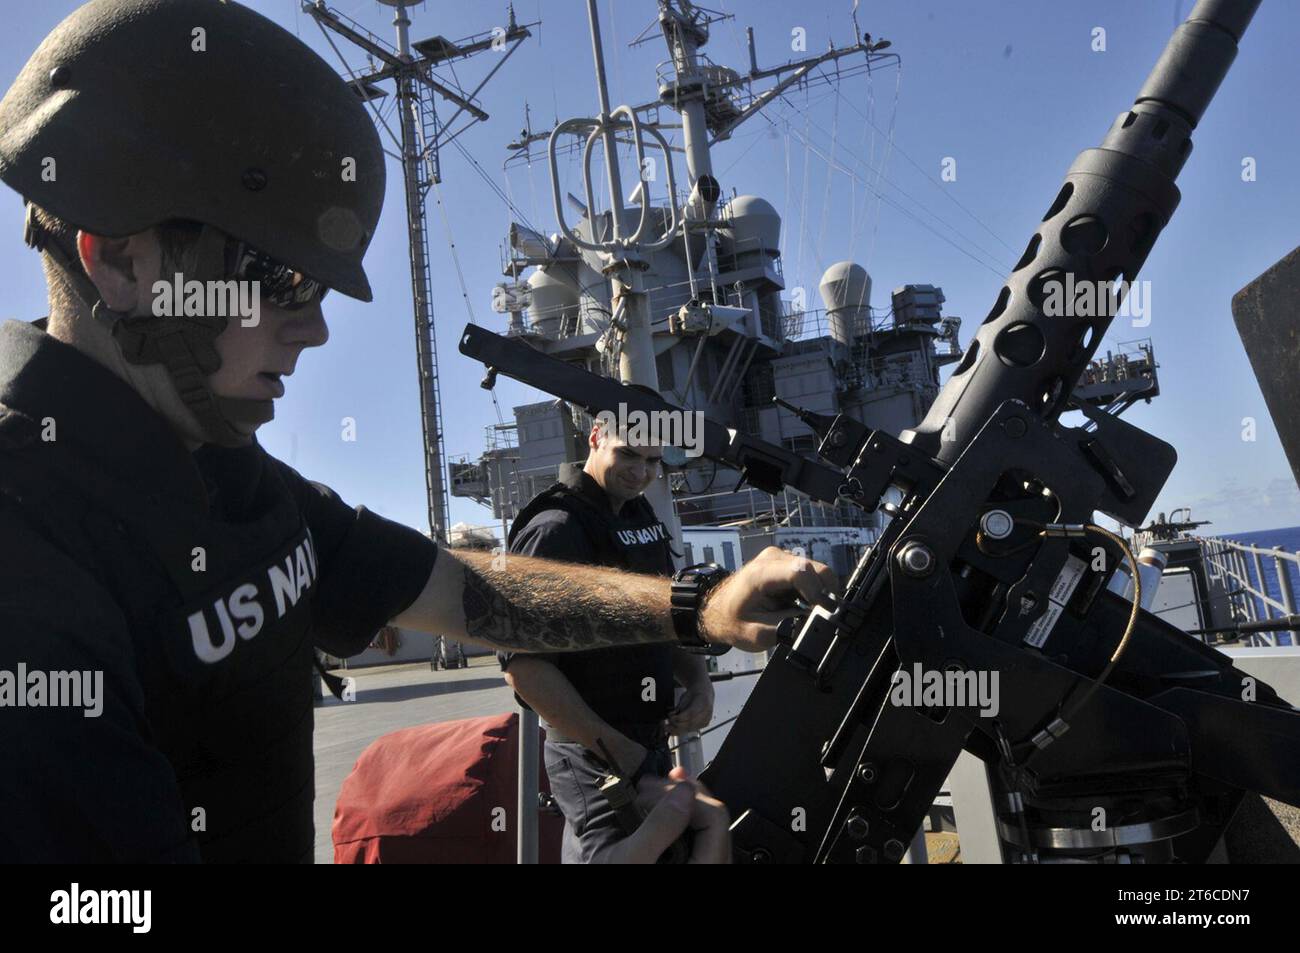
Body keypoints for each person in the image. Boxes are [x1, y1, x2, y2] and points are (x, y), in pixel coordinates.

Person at [0, 0, 838, 863]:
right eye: (281, 277)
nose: (315, 329)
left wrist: (694, 607)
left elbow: (462, 593)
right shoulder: (27, 541)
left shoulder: (224, 467)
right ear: (123, 258)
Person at [501, 418, 714, 862]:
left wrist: (698, 680)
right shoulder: (556, 530)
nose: (641, 472)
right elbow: (525, 668)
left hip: (643, 743)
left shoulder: (638, 517)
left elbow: (658, 624)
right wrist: (616, 751)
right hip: (593, 752)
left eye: (654, 461)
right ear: (596, 437)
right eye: (628, 454)